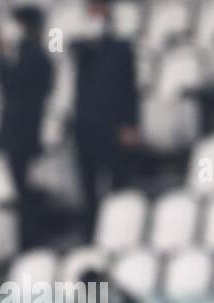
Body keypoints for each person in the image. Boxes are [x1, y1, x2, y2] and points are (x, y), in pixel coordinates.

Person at [73, 0, 141, 240]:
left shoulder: (122, 49)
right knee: (88, 188)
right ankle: (91, 234)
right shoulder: (81, 50)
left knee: (117, 183)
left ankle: (119, 232)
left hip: (113, 127)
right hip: (85, 128)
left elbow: (129, 90)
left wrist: (131, 124)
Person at [0, 6, 54, 252]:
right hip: (23, 135)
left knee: (24, 191)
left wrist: (1, 57)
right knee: (22, 190)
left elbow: (11, 86)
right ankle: (28, 239)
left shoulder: (33, 57)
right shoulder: (34, 56)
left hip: (23, 136)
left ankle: (30, 240)